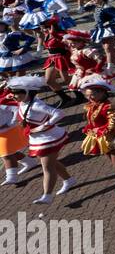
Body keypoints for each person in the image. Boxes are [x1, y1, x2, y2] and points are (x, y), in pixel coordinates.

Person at [9, 75, 73, 203]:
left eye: (17, 93)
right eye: (13, 93)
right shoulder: (23, 102)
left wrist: (44, 126)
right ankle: (69, 180)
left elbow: (59, 113)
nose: (14, 95)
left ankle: (47, 196)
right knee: (52, 163)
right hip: (37, 139)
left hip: (48, 138)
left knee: (47, 167)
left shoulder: (36, 105)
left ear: (27, 92)